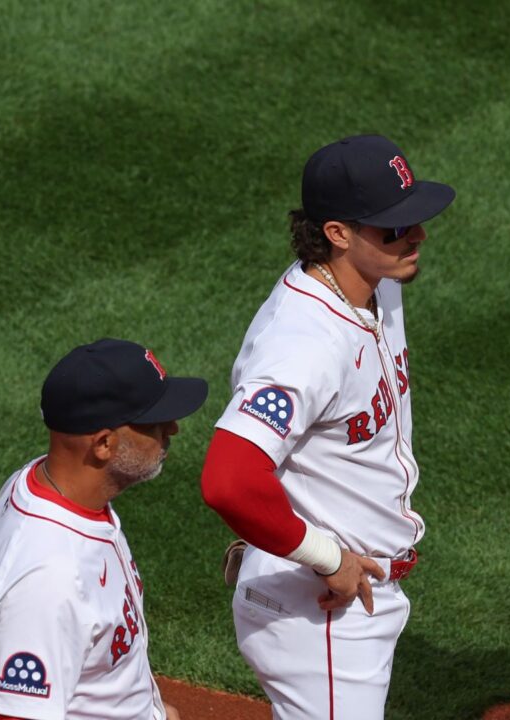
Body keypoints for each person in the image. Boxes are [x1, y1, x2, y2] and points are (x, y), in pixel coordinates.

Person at [199, 134, 454, 719]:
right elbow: (228, 479)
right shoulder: (305, 343)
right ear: (337, 233)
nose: (417, 236)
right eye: (394, 227)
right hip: (319, 605)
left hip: (339, 598)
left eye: (413, 219)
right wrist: (327, 556)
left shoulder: (375, 283)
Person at [0, 338, 208, 720]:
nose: (173, 429)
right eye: (155, 422)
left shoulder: (46, 486)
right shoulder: (49, 579)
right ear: (103, 443)